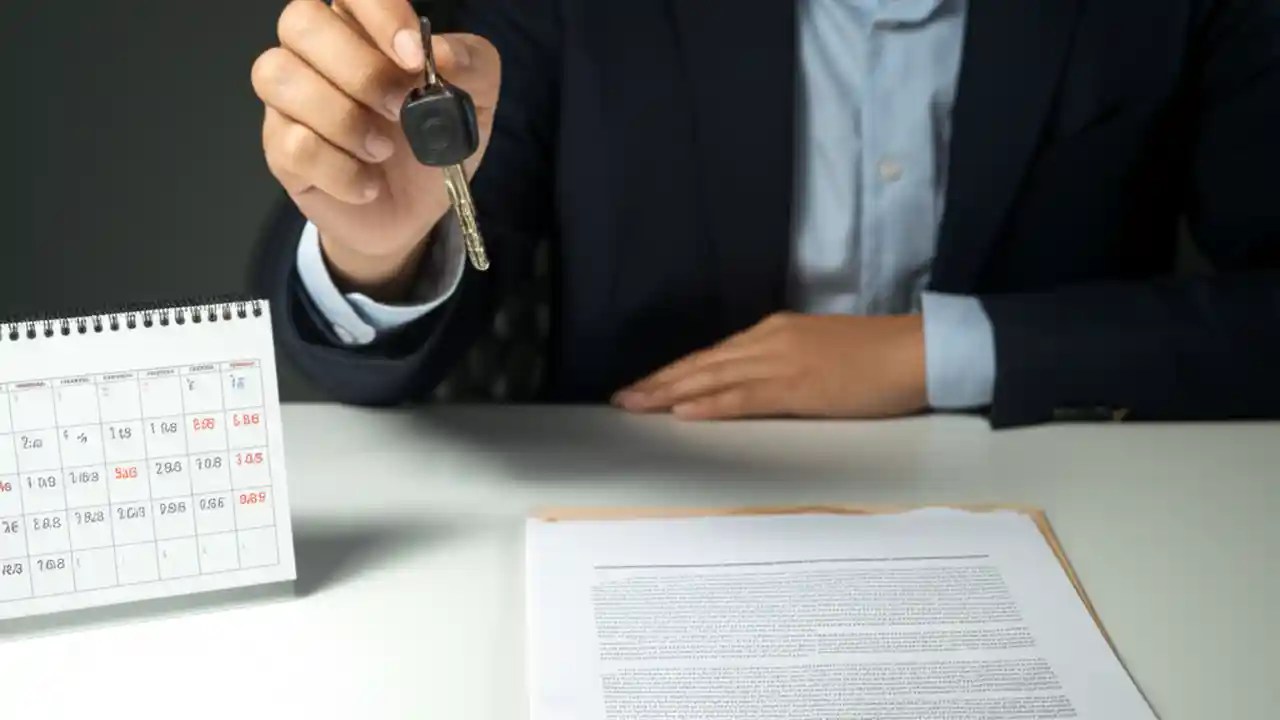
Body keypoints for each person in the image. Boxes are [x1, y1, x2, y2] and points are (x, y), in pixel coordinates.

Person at [250, 0, 1280, 428]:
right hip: (649, 523)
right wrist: (378, 252)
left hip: (1077, 508)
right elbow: (424, 266)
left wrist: (935, 354)